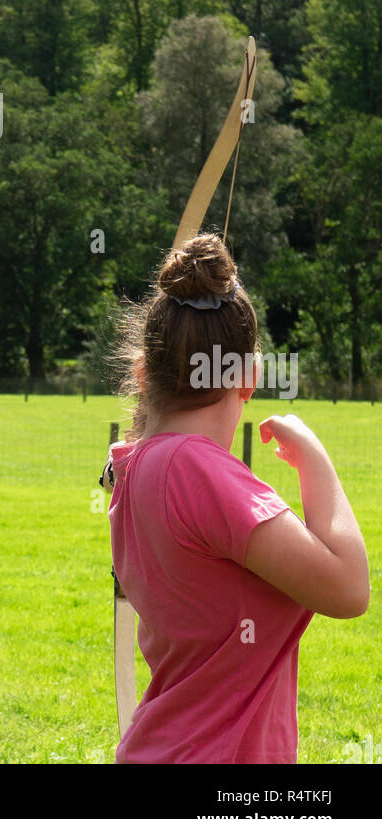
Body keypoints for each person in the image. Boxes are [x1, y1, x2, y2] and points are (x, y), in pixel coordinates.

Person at [105, 232, 369, 764]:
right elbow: (348, 589)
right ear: (247, 380)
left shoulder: (131, 468)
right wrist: (315, 460)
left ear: (140, 374)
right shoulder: (197, 471)